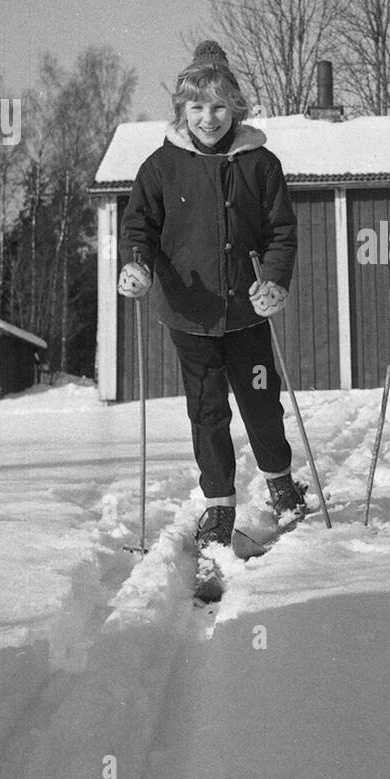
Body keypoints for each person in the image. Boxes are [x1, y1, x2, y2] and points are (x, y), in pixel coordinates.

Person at [116, 40, 301, 549]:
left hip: (247, 311)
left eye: (219, 106)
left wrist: (276, 282)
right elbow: (139, 227)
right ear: (182, 111)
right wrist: (136, 267)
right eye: (196, 107)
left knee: (262, 402)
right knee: (207, 408)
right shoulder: (160, 166)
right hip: (189, 312)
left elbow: (281, 232)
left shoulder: (260, 163)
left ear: (236, 107)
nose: (208, 117)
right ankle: (219, 505)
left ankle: (282, 485)